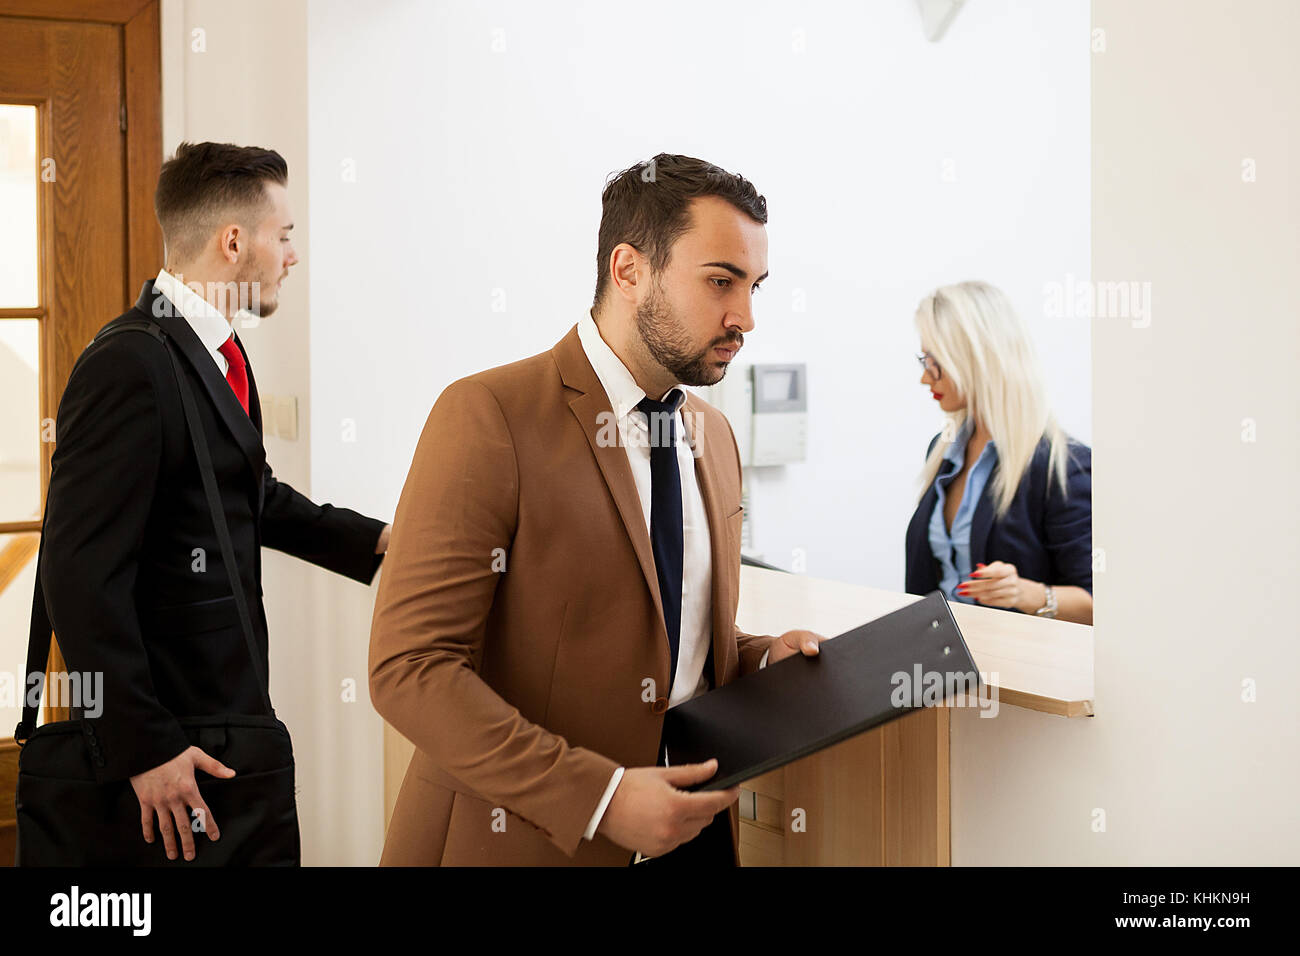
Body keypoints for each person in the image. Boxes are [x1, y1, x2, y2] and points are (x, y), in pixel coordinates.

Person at [368, 153, 826, 866]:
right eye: (720, 282)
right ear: (628, 270)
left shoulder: (714, 435)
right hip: (523, 844)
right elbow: (411, 667)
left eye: (754, 286)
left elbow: (670, 640)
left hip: (692, 840)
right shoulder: (489, 415)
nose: (746, 317)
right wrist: (600, 797)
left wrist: (763, 659)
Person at [33, 142, 391, 863]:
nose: (292, 255)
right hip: (168, 749)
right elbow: (77, 573)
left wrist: (382, 541)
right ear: (235, 242)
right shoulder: (129, 364)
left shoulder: (220, 350)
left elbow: (246, 495)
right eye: (283, 235)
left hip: (224, 724)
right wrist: (144, 749)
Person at [904, 280, 1093, 625]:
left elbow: (1097, 603)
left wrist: (1027, 593)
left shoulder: (1064, 466)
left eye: (933, 362)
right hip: (942, 665)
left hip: (1017, 670)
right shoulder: (943, 450)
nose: (925, 379)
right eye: (923, 361)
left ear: (974, 359)